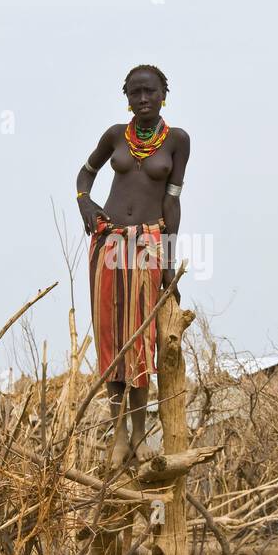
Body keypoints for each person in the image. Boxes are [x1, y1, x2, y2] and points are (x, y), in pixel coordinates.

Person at [74, 64, 190, 468]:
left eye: (151, 92)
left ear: (164, 95)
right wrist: (84, 201)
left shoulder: (177, 141)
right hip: (108, 241)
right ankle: (118, 434)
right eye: (136, 93)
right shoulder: (113, 136)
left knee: (139, 340)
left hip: (149, 244)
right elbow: (86, 173)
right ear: (127, 97)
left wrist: (170, 265)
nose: (143, 99)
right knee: (112, 337)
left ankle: (141, 434)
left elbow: (172, 202)